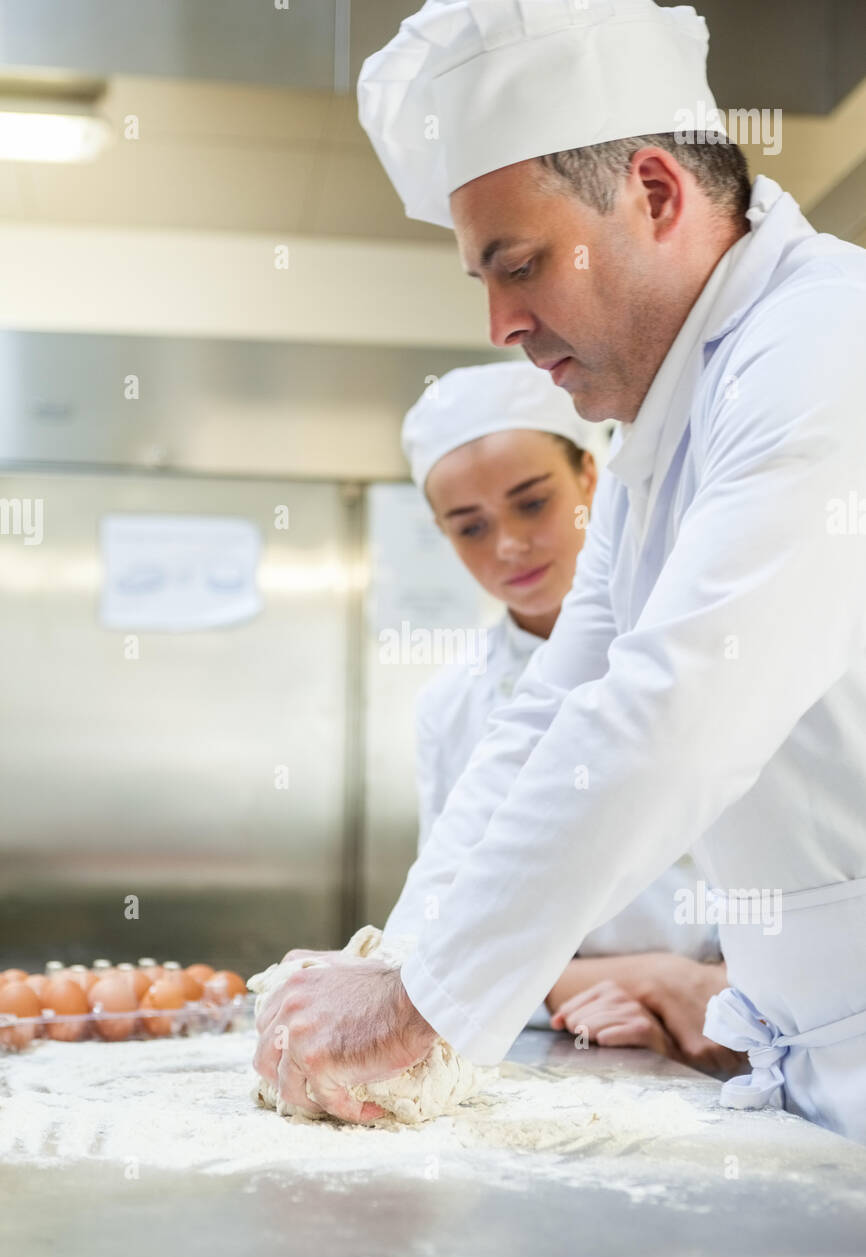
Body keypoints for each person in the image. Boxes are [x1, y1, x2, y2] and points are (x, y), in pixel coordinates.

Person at [254, 0, 866, 1141]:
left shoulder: (826, 352)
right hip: (814, 1068)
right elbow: (548, 719)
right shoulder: (653, 444)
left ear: (652, 193)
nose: (500, 324)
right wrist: (398, 960)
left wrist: (419, 1009)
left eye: (519, 264)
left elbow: (674, 711)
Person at [405, 361, 735, 1072]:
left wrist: (715, 987)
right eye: (470, 527)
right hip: (581, 1031)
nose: (509, 547)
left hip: (753, 1016)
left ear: (591, 477)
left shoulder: (704, 635)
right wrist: (637, 984)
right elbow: (455, 920)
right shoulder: (451, 706)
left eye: (532, 504)